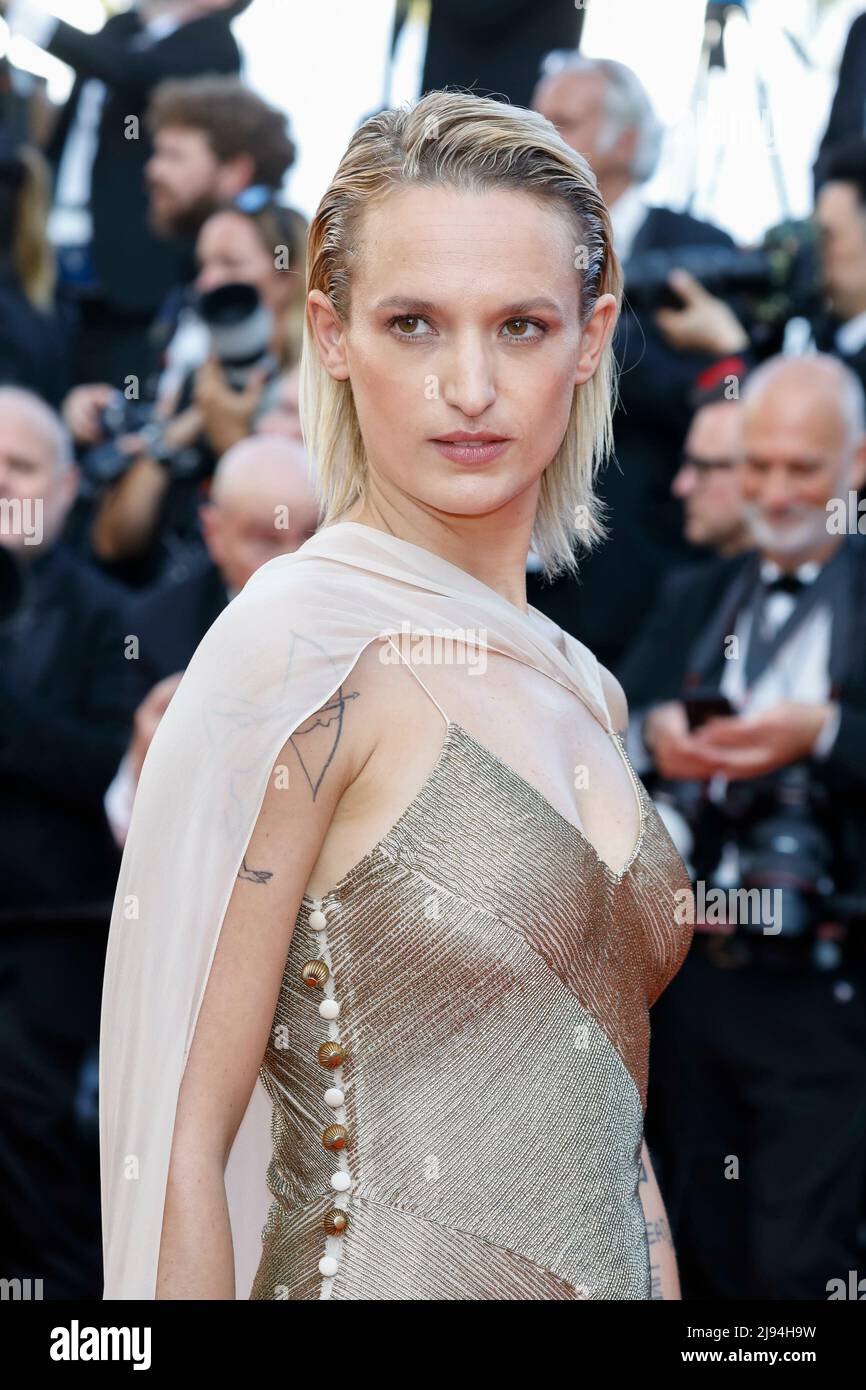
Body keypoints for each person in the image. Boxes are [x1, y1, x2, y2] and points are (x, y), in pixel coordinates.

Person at [98, 88, 695, 1301]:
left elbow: (603, 1119)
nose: (467, 386)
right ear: (329, 332)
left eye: (521, 326)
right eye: (414, 323)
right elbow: (176, 1139)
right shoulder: (298, 646)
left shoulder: (585, 687)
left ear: (591, 338)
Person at [621, 354, 866, 1299]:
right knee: (698, 1246)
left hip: (829, 991)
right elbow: (612, 715)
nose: (772, 490)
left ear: (857, 465)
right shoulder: (696, 595)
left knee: (800, 1264)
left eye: (800, 469)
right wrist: (658, 734)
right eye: (755, 466)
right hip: (695, 983)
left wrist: (825, 735)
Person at [529, 53, 738, 669]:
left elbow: (718, 401)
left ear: (625, 140)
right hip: (503, 572)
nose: (538, 139)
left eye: (562, 122)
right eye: (532, 120)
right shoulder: (505, 247)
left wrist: (591, 341)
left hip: (633, 577)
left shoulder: (699, 251)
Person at [0, 387, 134, 1298]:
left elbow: (114, 768)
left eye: (17, 469)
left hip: (61, 939)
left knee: (36, 1142)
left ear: (69, 481)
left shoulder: (118, 620)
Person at [0, 0, 251, 382]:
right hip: (54, 238)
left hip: (128, 265)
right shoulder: (123, 29)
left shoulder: (214, 45)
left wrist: (25, 15)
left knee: (107, 384)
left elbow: (132, 72)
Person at [104, 435, 320, 847]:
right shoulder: (154, 628)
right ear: (213, 532)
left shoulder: (370, 610)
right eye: (266, 540)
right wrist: (146, 759)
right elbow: (124, 829)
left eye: (312, 536)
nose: (294, 561)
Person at [86, 196, 308, 587]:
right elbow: (113, 543)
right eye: (203, 265)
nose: (206, 283)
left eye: (230, 264)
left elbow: (289, 546)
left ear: (286, 277)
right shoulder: (194, 378)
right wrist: (178, 430)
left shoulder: (320, 394)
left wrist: (233, 441)